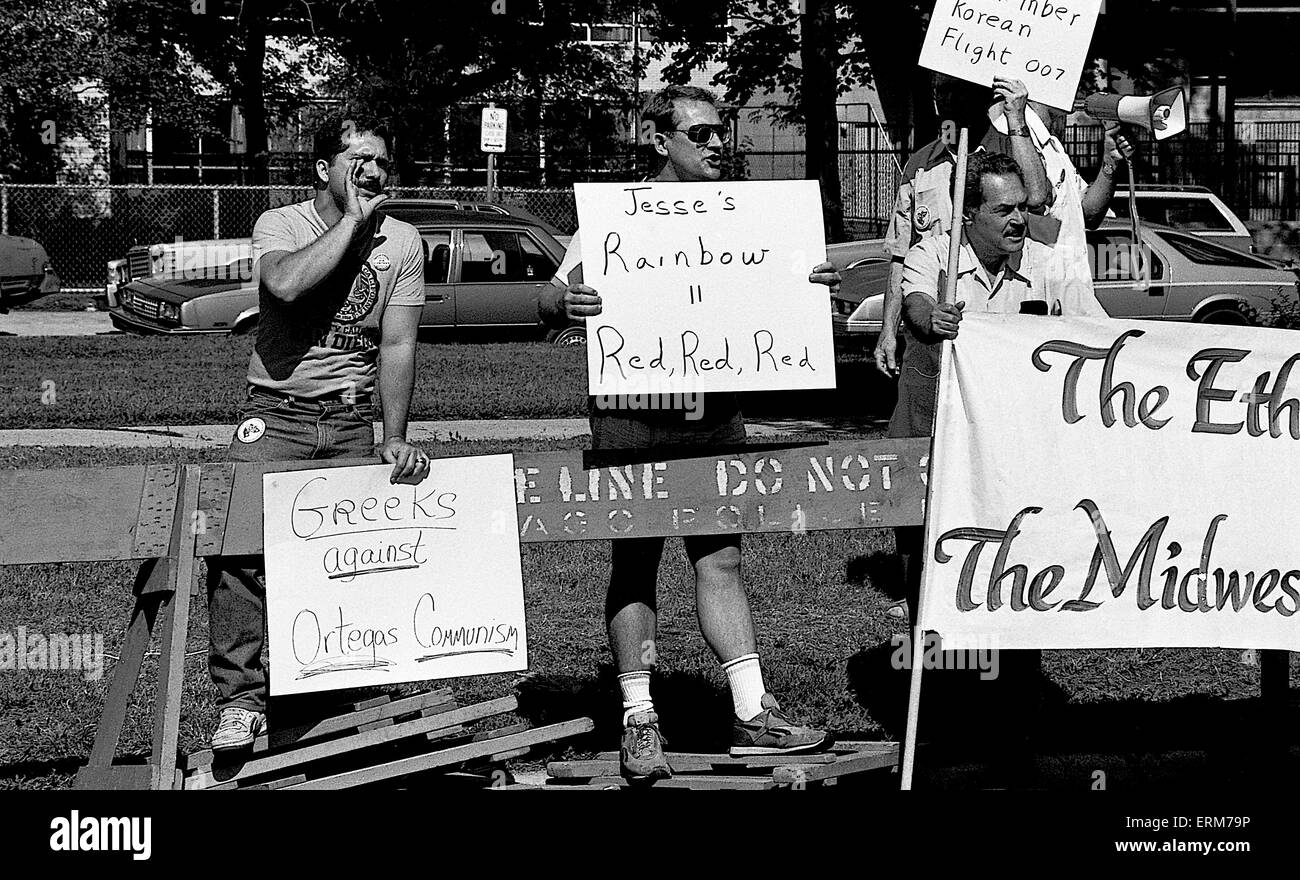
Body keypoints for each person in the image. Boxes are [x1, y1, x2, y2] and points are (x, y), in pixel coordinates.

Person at [538, 85, 842, 782]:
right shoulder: (622, 215)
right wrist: (566, 300)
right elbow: (550, 296)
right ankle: (639, 717)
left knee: (722, 559)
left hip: (714, 414)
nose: (716, 146)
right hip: (633, 414)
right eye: (700, 134)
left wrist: (807, 284)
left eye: (719, 134)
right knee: (636, 561)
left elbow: (771, 294)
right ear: (659, 141)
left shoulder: (743, 217)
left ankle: (751, 708)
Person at [205, 113, 431, 750]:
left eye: (381, 162)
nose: (371, 172)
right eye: (357, 158)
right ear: (321, 167)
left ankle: (331, 699)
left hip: (354, 420)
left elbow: (398, 343)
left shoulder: (406, 241)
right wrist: (353, 222)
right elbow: (284, 286)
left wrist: (394, 434)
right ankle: (242, 701)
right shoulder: (281, 224)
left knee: (352, 558)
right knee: (236, 548)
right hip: (276, 413)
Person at [888, 152, 1107, 625]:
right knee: (924, 547)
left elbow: (1098, 332)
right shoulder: (933, 254)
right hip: (931, 425)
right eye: (1003, 209)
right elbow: (918, 303)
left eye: (1022, 207)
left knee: (1010, 543)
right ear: (969, 212)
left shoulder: (1049, 263)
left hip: (1013, 439)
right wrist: (934, 318)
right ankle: (926, 642)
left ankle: (1006, 656)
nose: (1018, 219)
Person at [873, 74, 1052, 380]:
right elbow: (900, 256)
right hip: (933, 331)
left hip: (998, 323)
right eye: (942, 93)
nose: (949, 101)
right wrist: (888, 330)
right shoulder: (920, 164)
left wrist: (1016, 117)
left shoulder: (1011, 154)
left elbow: (1037, 197)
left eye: (959, 92)